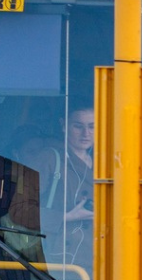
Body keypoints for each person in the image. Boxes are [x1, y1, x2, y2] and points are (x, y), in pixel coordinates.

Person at [8, 101, 94, 269]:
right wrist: (65, 217)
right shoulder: (49, 159)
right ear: (64, 125)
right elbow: (18, 210)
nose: (86, 134)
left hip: (102, 259)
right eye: (78, 126)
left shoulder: (107, 162)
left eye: (92, 127)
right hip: (64, 264)